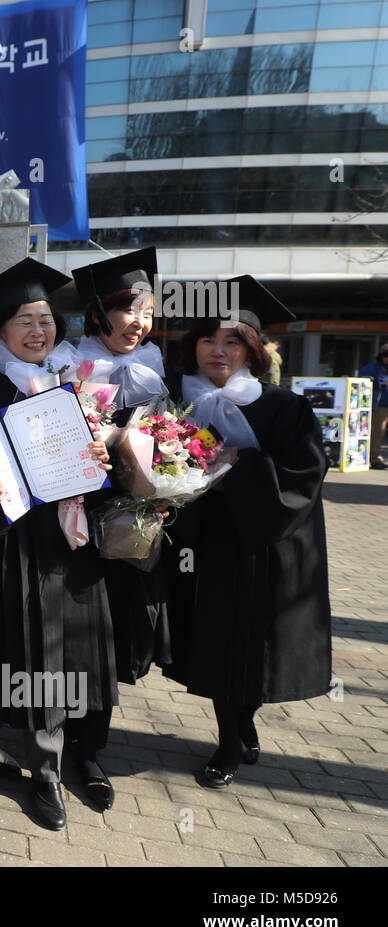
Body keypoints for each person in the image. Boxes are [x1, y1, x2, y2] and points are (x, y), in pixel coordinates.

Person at [0, 258, 116, 831]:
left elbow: (94, 469)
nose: (37, 331)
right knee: (30, 650)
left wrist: (102, 459)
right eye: (23, 320)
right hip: (17, 545)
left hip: (72, 541)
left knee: (67, 648)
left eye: (46, 319)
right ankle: (45, 772)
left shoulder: (71, 388)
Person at [164, 276, 332, 788]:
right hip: (208, 545)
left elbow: (304, 474)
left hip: (268, 546)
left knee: (256, 649)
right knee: (217, 646)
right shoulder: (176, 405)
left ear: (252, 349)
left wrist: (239, 463)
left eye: (232, 340)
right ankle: (229, 741)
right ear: (193, 345)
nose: (219, 350)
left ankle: (246, 723)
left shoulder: (284, 407)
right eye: (209, 339)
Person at [71, 249, 172, 725]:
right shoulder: (67, 370)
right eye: (129, 309)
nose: (139, 322)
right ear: (98, 313)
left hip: (132, 527)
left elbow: (174, 447)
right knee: (74, 634)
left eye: (148, 312)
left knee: (115, 635)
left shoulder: (155, 373)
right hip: (73, 528)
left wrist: (168, 490)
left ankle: (92, 742)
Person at [358, 345, 388, 469]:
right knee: (377, 432)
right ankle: (373, 458)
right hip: (380, 405)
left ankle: (376, 456)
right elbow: (361, 383)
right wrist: (375, 382)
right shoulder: (371, 368)